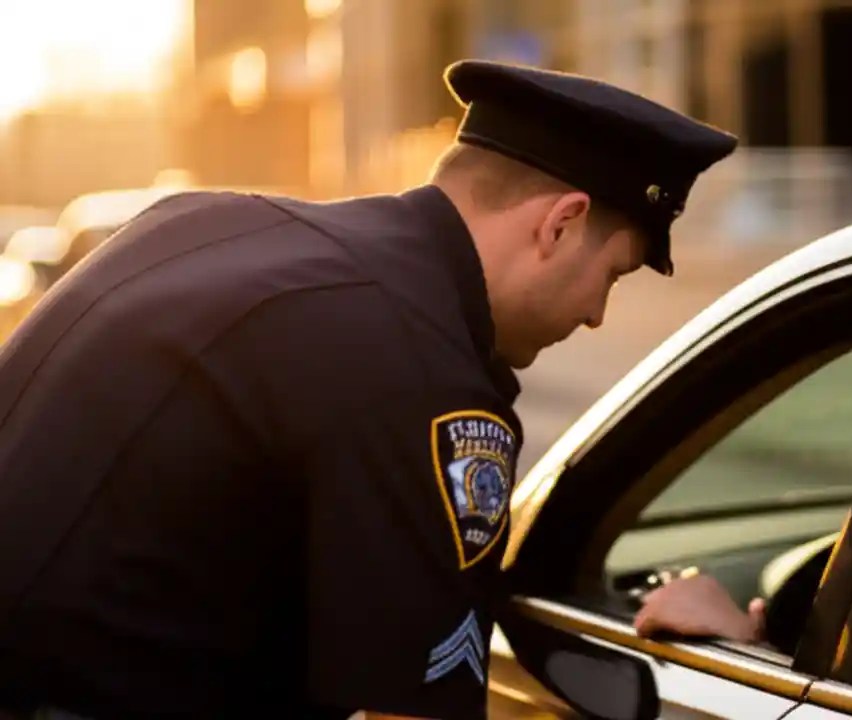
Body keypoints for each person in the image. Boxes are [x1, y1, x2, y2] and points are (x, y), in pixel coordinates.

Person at [0, 59, 736, 720]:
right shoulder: (422, 370)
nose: (597, 313)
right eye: (613, 274)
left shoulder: (197, 223)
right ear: (561, 224)